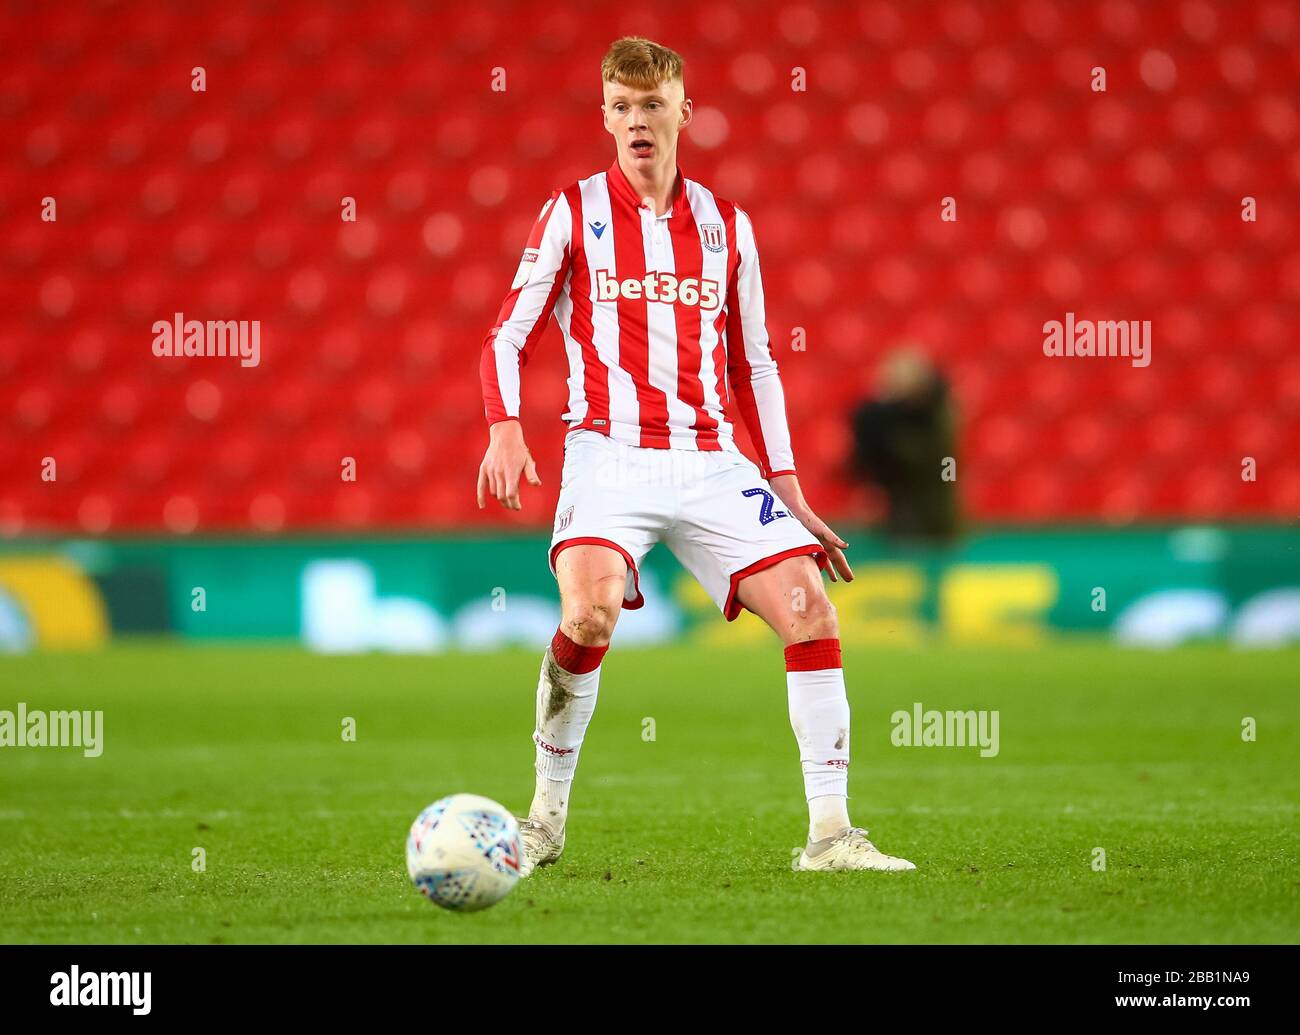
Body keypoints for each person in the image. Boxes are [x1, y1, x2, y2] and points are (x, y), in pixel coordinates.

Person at [477, 37, 914, 874]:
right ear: (604, 116)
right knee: (589, 613)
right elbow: (506, 334)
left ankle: (830, 835)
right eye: (620, 106)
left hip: (711, 459)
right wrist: (504, 425)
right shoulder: (572, 212)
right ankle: (544, 818)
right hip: (608, 452)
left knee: (811, 608)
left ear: (686, 110)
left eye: (652, 104)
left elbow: (755, 363)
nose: (636, 121)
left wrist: (784, 484)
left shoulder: (728, 226)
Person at [850, 348, 961, 542]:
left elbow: (924, 459)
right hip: (902, 518)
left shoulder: (934, 416)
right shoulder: (882, 416)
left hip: (933, 518)